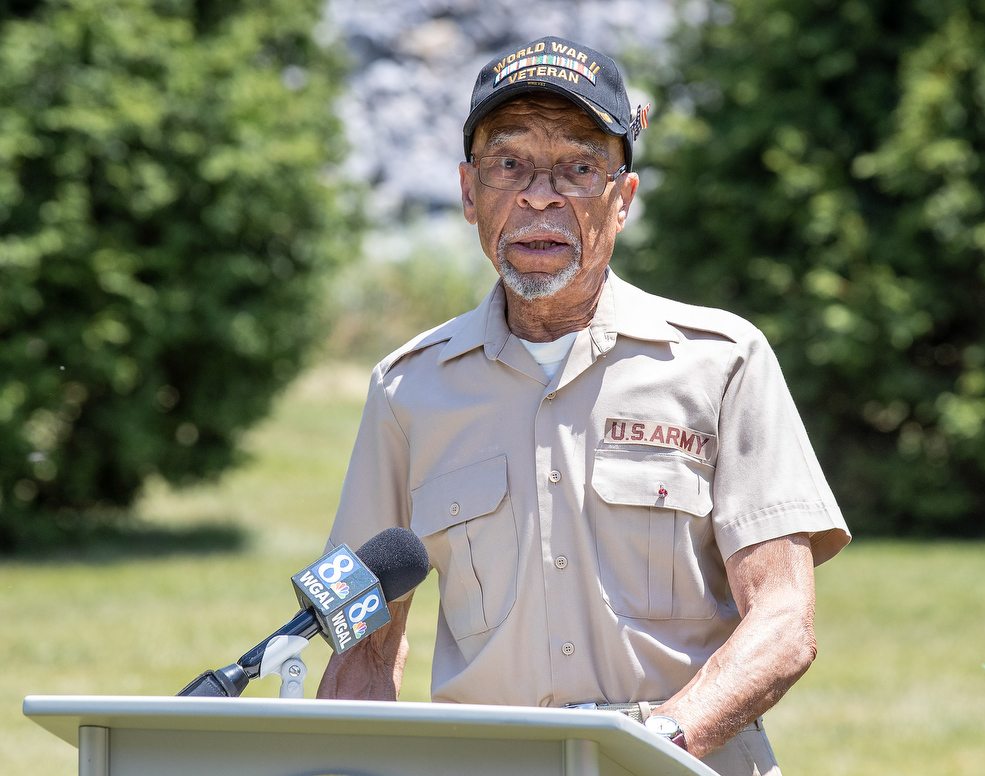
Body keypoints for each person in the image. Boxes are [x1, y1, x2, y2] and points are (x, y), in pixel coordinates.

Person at [317, 36, 851, 776]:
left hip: (684, 761)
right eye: (510, 165)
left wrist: (655, 748)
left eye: (578, 166)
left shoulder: (721, 360)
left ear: (622, 199)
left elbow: (786, 620)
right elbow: (365, 644)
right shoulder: (407, 387)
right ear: (471, 194)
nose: (541, 194)